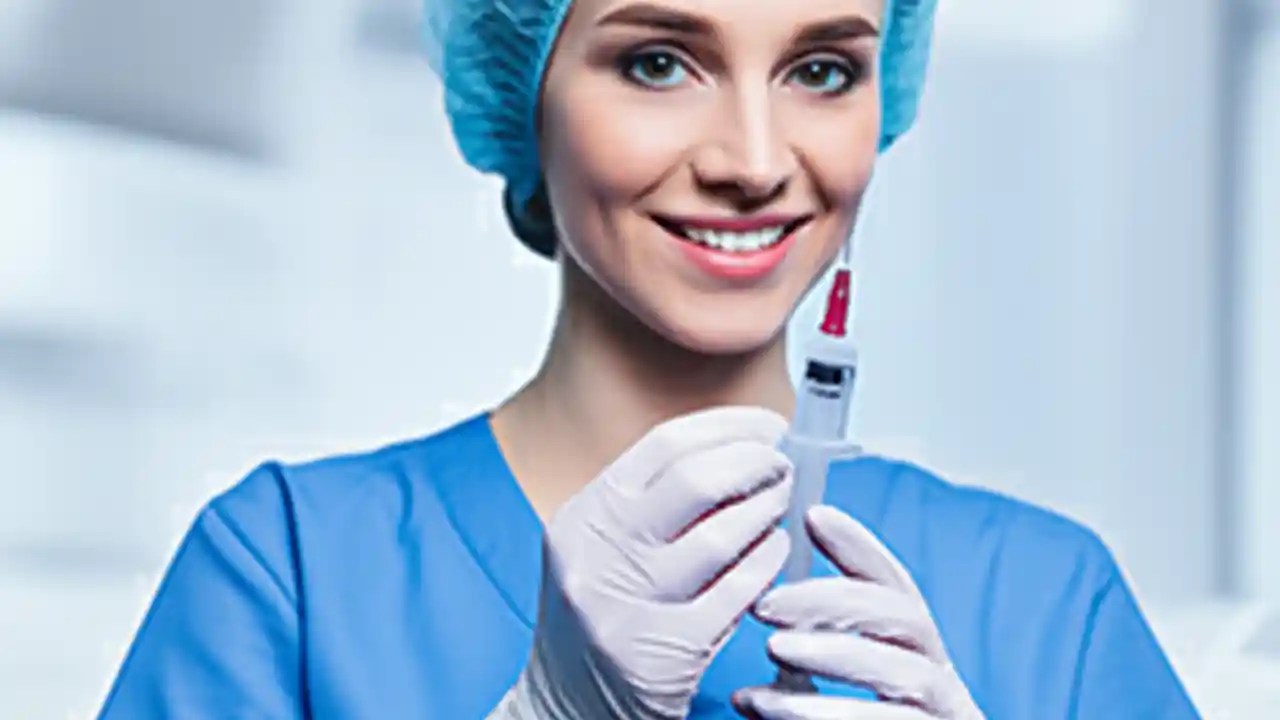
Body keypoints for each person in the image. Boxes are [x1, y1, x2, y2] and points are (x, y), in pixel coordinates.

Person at [98, 0, 1201, 718]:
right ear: (525, 90)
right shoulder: (290, 577)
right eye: (658, 62)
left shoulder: (1047, 608)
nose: (753, 162)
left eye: (821, 70)